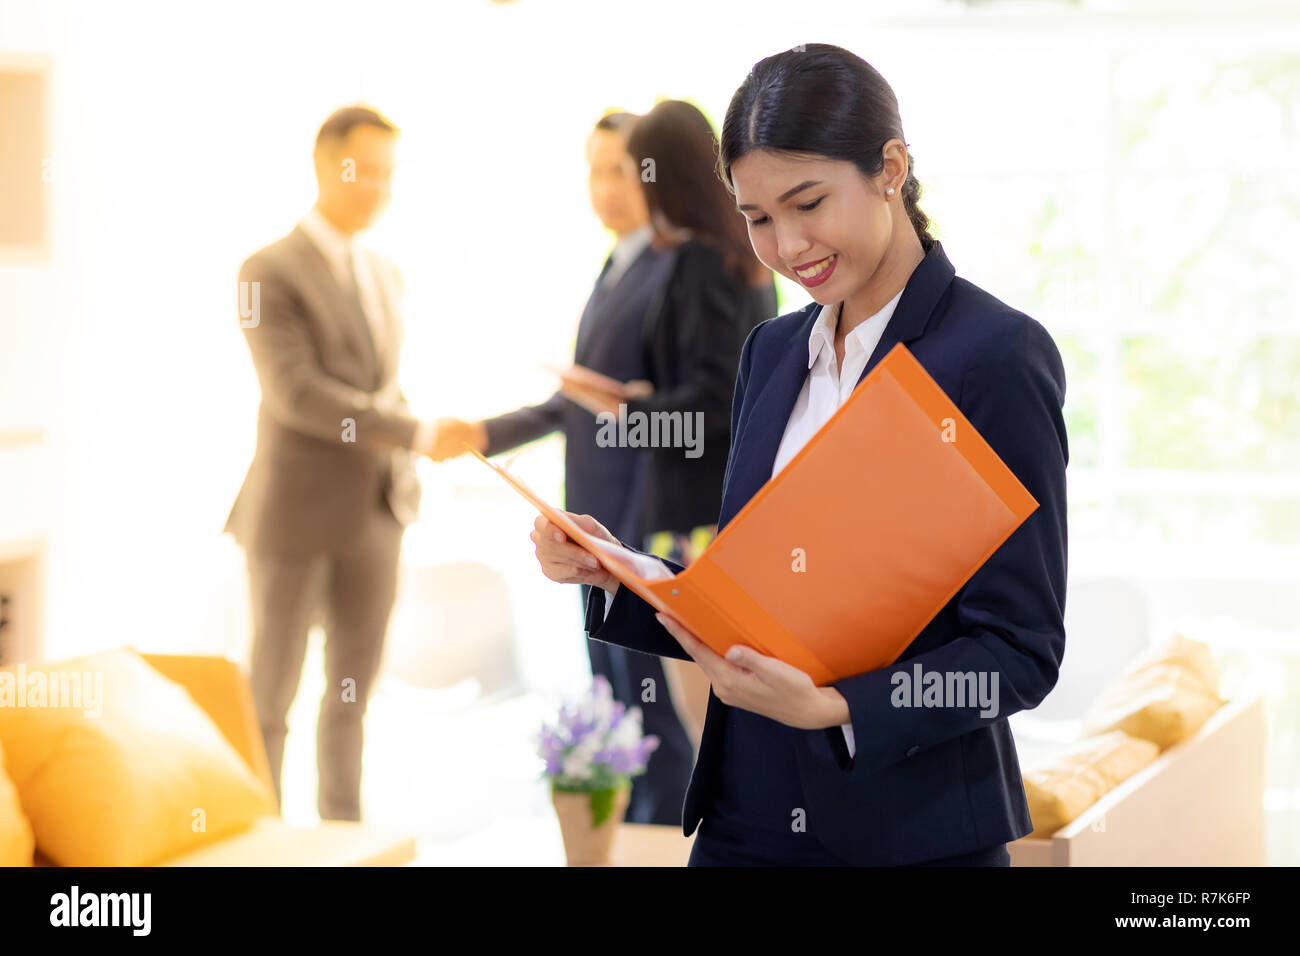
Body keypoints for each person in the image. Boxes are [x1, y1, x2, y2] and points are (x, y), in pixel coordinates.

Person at [529, 44, 1068, 866]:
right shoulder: (771, 353)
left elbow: (1020, 653)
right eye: (757, 218)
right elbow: (753, 601)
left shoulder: (993, 357)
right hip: (743, 819)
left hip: (907, 838)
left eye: (807, 203)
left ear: (891, 167)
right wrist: (621, 570)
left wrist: (838, 708)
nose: (786, 247)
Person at [429, 112, 694, 825]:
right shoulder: (617, 267)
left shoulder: (678, 273)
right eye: (593, 168)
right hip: (594, 522)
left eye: (620, 169)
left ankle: (659, 843)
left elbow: (674, 417)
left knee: (656, 717)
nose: (604, 187)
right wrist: (485, 431)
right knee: (616, 700)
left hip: (638, 527)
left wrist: (639, 539)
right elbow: (576, 399)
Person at [224, 105, 440, 821]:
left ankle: (344, 845)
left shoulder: (384, 270)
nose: (377, 187)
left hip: (379, 513)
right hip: (295, 515)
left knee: (352, 696)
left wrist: (407, 439)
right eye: (364, 171)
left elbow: (381, 383)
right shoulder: (266, 270)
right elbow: (297, 394)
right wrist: (412, 431)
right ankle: (263, 845)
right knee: (271, 700)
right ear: (325, 164)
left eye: (388, 174)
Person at [557, 100, 777, 763]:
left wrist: (628, 414)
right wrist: (644, 398)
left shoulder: (696, 262)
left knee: (702, 717)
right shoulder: (741, 257)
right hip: (717, 505)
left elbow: (715, 402)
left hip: (691, 515)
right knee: (716, 712)